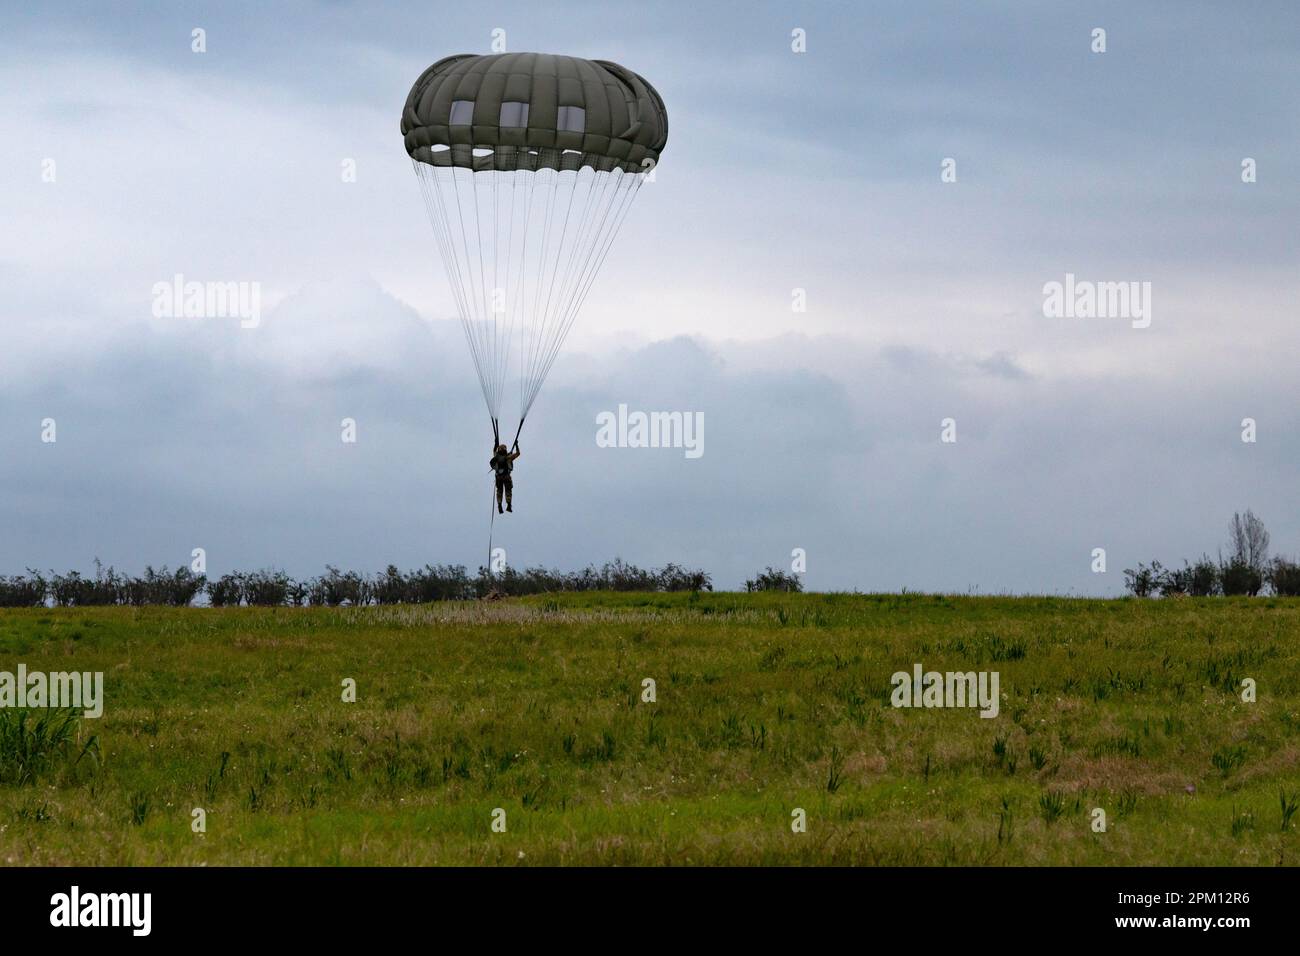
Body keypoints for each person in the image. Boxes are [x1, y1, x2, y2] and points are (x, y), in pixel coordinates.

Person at [489, 442, 520, 513]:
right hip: (506, 476)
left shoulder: (496, 457)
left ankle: (499, 504)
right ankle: (509, 505)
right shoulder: (509, 457)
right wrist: (516, 445)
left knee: (499, 491)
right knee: (508, 490)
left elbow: (494, 451)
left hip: (499, 477)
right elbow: (518, 453)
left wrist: (495, 444)